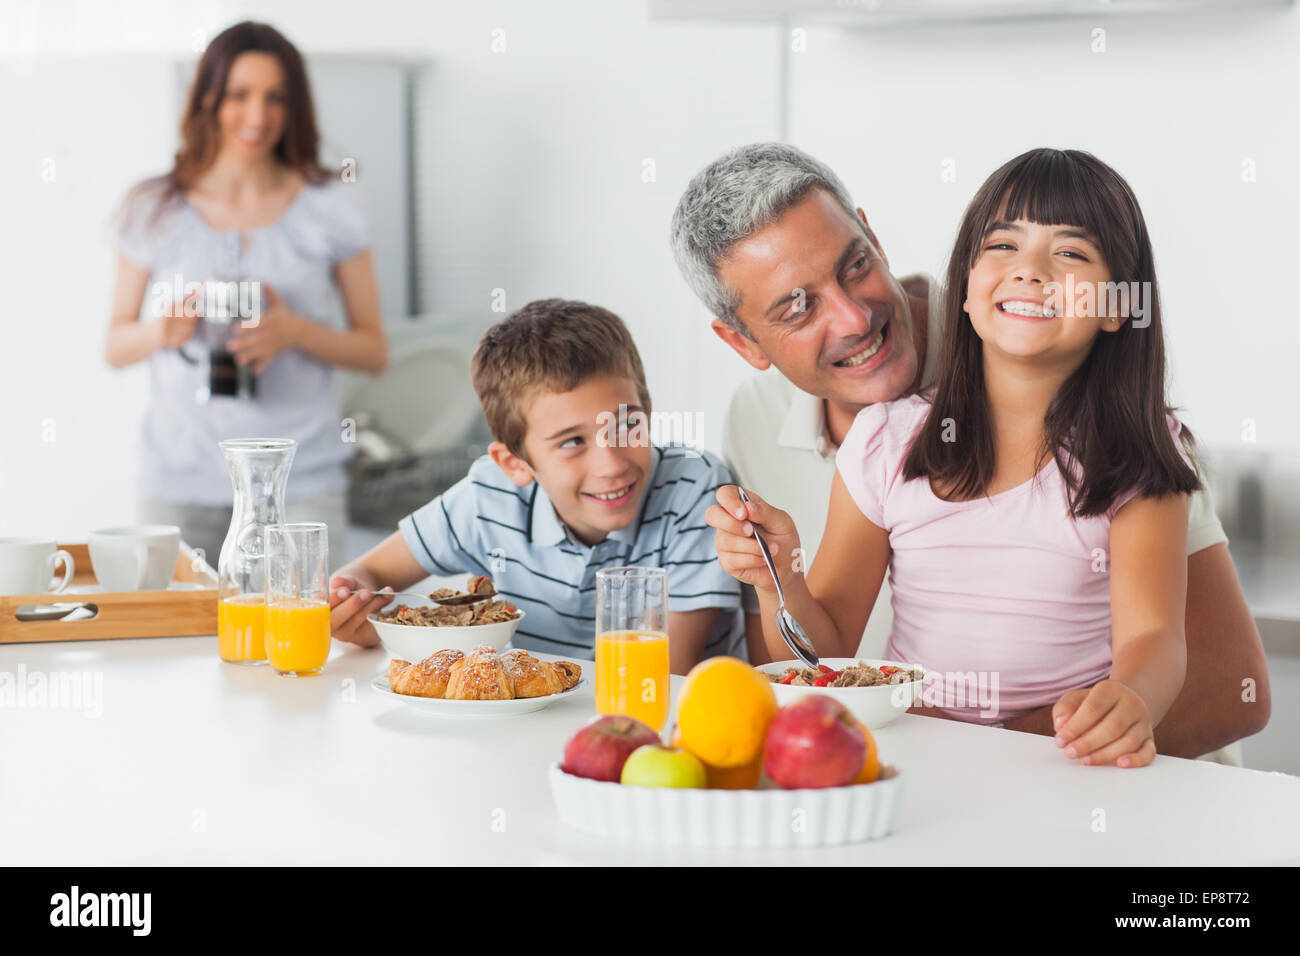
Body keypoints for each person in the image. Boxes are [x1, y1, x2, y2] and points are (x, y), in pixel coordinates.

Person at [672, 143, 1269, 761]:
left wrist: (1105, 708)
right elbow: (824, 658)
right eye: (797, 307)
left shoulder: (1138, 449)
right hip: (920, 774)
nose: (852, 318)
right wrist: (780, 581)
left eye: (853, 266)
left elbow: (1199, 666)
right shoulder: (858, 437)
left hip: (1096, 782)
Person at [328, 299, 749, 673]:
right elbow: (368, 572)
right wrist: (357, 608)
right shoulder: (490, 496)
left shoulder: (693, 489)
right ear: (514, 463)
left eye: (626, 425)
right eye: (572, 442)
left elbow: (655, 682)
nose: (611, 463)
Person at [105, 21, 388, 566]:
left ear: (295, 106)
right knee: (174, 643)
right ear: (208, 97)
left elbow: (374, 351)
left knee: (302, 643)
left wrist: (297, 332)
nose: (258, 117)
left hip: (301, 482)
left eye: (275, 98)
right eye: (239, 95)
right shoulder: (153, 207)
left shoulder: (332, 207)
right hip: (180, 480)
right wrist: (162, 330)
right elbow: (115, 345)